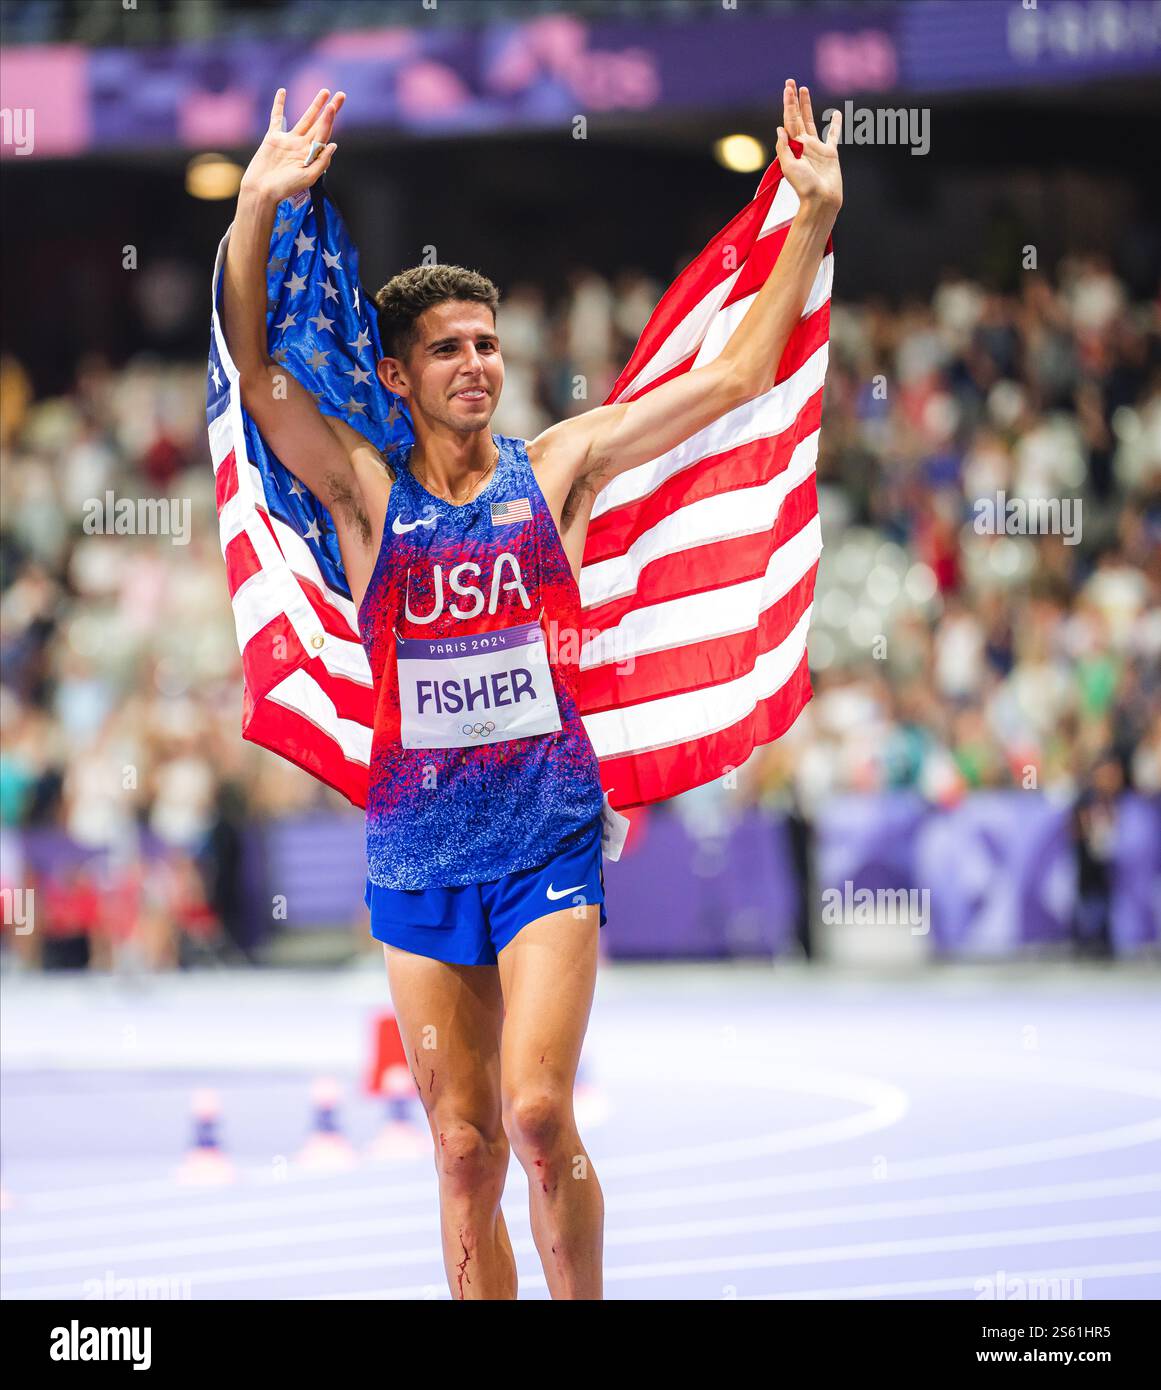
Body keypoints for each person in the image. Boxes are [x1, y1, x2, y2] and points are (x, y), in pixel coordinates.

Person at [220, 80, 842, 1300]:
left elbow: (734, 376)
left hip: (547, 831)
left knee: (540, 1115)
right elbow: (258, 370)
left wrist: (811, 219)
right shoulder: (360, 487)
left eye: (488, 345)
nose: (477, 367)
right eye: (448, 349)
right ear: (396, 377)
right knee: (461, 1150)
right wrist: (252, 209)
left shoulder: (555, 465)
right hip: (414, 849)